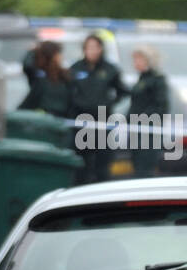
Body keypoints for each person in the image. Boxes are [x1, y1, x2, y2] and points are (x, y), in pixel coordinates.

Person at [69, 34, 129, 183]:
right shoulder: (75, 68)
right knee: (82, 166)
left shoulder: (110, 69)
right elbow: (67, 91)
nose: (93, 51)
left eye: (96, 47)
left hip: (103, 121)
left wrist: (109, 102)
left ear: (101, 49)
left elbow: (123, 91)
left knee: (103, 165)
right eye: (89, 47)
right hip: (81, 122)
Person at [127, 46, 174, 179]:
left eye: (139, 59)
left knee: (145, 169)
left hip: (148, 132)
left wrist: (142, 119)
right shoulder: (142, 78)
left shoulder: (157, 79)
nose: (135, 63)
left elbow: (161, 106)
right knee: (137, 167)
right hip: (136, 131)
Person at [18, 41, 74, 119]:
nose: (61, 57)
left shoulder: (63, 75)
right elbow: (27, 65)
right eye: (58, 53)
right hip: (47, 122)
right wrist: (33, 50)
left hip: (63, 121)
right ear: (52, 56)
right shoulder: (39, 77)